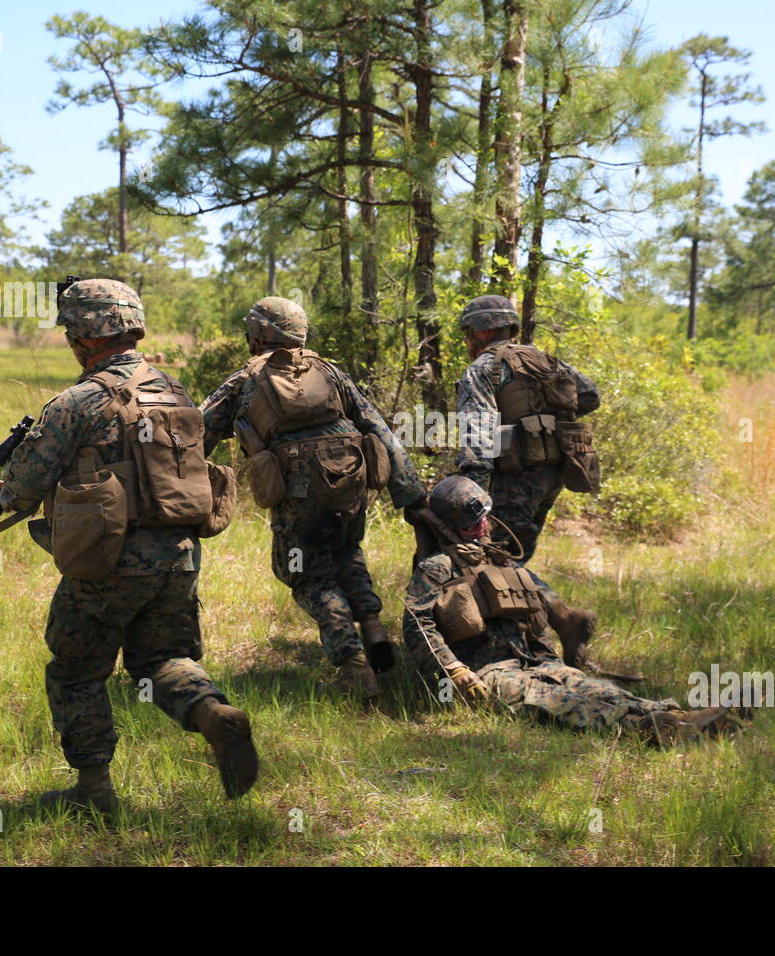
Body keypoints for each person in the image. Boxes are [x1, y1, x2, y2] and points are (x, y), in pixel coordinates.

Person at [0, 277, 258, 812]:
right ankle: (214, 715)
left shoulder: (76, 402)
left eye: (72, 330)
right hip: (181, 556)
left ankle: (93, 793)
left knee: (76, 669)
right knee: (162, 657)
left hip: (108, 560)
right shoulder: (176, 391)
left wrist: (3, 498)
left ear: (84, 335)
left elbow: (22, 486)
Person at [401, 476, 745, 744]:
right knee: (567, 705)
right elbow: (418, 624)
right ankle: (657, 732)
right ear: (449, 526)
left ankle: (681, 716)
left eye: (484, 518)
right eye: (470, 523)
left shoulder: (501, 559)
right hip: (490, 672)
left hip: (539, 661)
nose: (482, 527)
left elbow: (544, 599)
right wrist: (455, 672)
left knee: (601, 691)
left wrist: (566, 622)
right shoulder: (437, 567)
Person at [201, 297, 428, 701]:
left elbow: (197, 434)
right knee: (347, 552)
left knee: (310, 576)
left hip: (299, 494)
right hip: (349, 484)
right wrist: (411, 496)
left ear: (258, 335)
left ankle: (353, 666)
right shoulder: (331, 372)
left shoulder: (245, 381)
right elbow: (378, 428)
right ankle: (373, 628)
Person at [452, 295, 626, 677]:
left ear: (480, 331)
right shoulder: (546, 360)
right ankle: (531, 633)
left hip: (512, 477)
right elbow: (590, 395)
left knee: (498, 559)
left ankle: (558, 622)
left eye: (468, 333)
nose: (468, 340)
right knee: (513, 556)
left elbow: (477, 436)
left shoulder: (483, 369)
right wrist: (543, 420)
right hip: (553, 475)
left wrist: (473, 496)